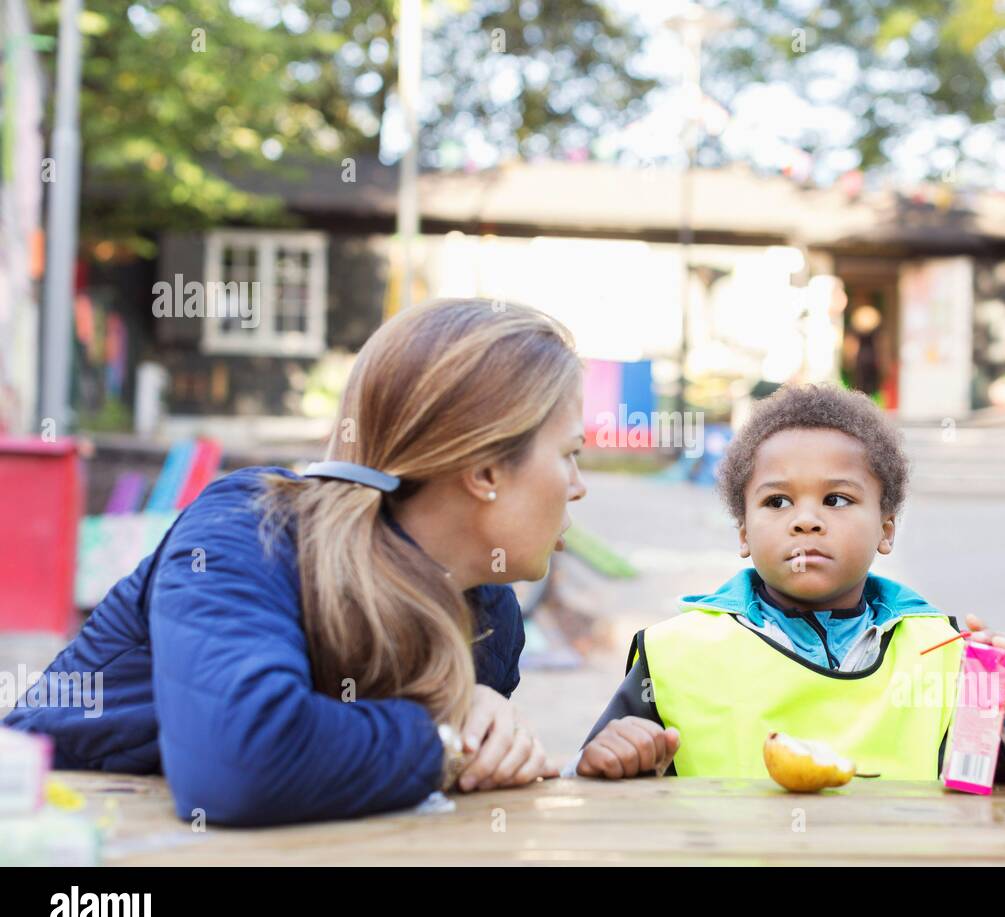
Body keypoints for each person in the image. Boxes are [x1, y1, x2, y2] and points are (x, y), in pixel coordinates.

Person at [5, 299, 589, 826]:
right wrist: (448, 738)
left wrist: (503, 740)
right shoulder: (250, 530)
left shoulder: (488, 611)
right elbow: (242, 765)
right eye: (569, 456)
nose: (579, 487)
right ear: (485, 470)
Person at [570, 384, 1005, 782]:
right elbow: (605, 774)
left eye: (837, 500)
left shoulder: (944, 654)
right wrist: (610, 756)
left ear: (886, 529)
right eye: (777, 502)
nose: (806, 521)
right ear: (743, 532)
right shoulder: (676, 653)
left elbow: (1003, 798)